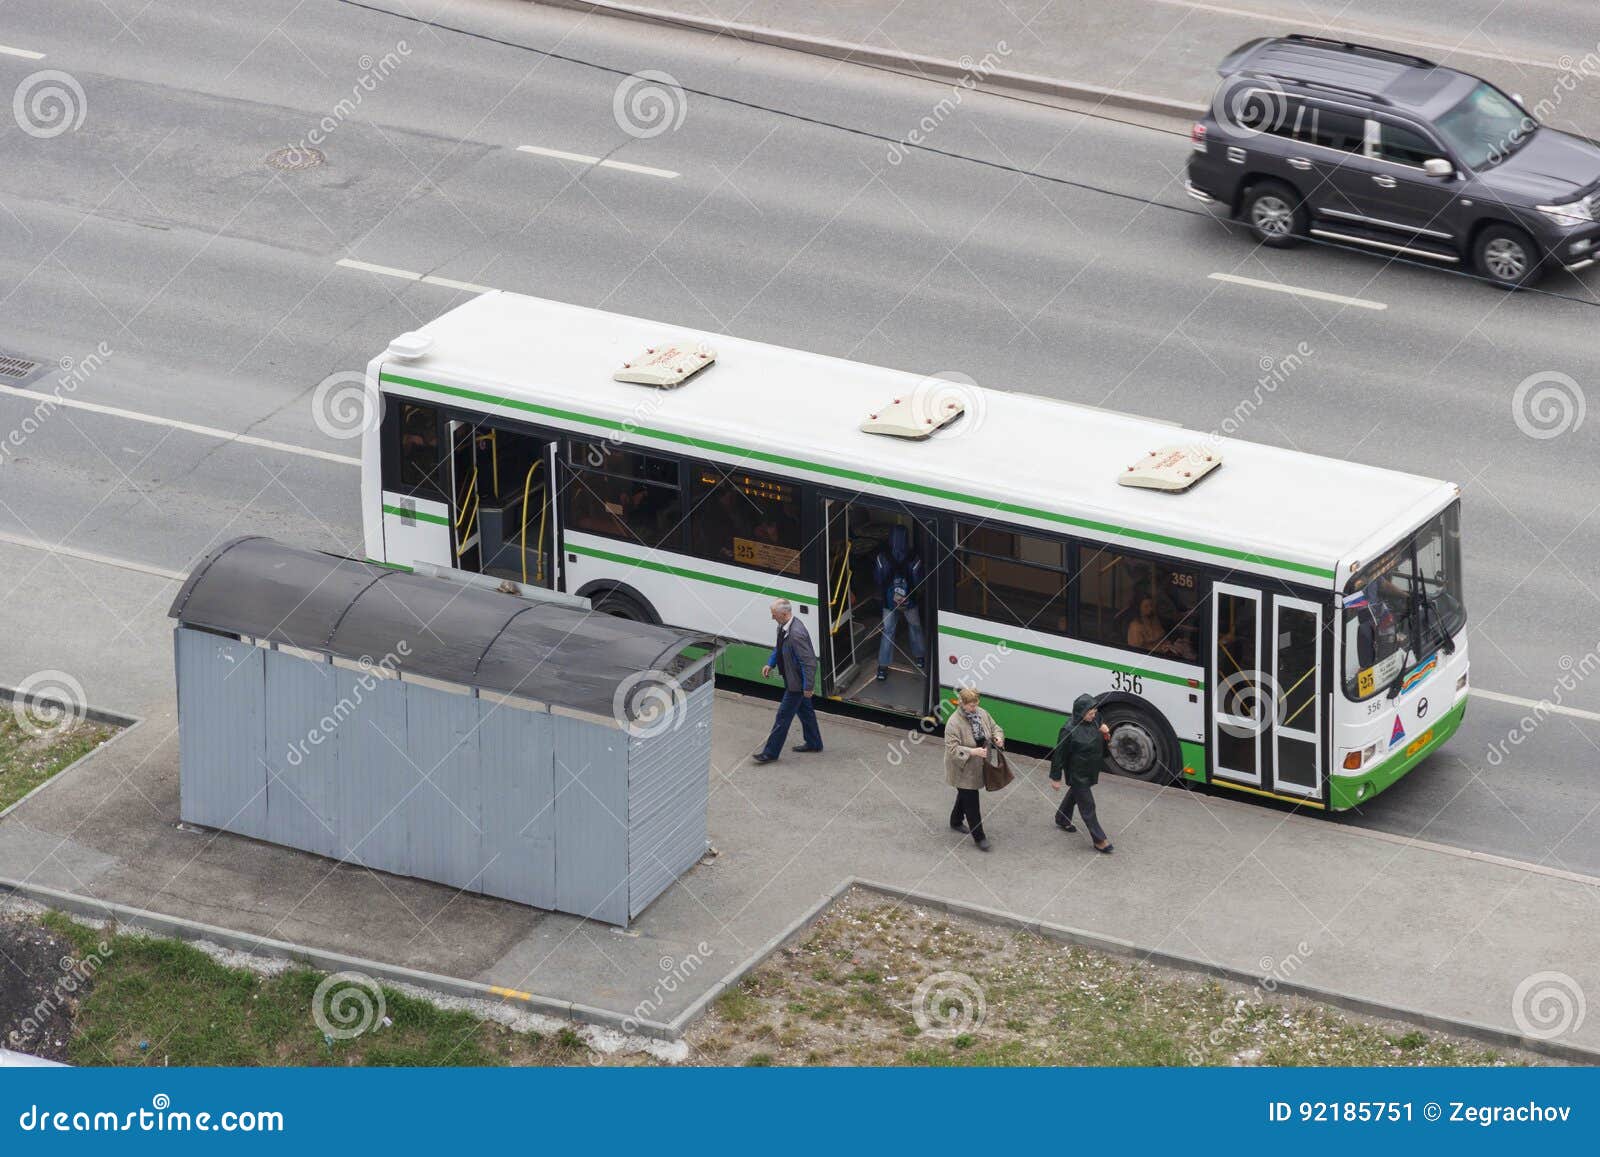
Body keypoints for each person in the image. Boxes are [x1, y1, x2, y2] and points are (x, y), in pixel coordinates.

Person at [753, 598, 822, 763]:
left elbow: (809, 663)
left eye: (774, 614)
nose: (772, 617)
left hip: (796, 684)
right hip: (792, 678)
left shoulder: (796, 633)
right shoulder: (784, 626)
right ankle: (814, 743)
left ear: (784, 614)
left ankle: (770, 753)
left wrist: (807, 687)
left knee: (782, 717)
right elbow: (779, 646)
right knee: (805, 712)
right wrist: (770, 664)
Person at [1050, 693, 1114, 853]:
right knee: (1088, 805)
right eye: (1091, 713)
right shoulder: (1068, 730)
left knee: (1075, 795)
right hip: (1077, 772)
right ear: (1081, 712)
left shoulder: (1095, 719)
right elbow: (1059, 754)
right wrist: (1055, 777)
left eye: (1094, 712)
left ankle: (1062, 818)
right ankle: (1100, 840)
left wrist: (1105, 732)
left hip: (1090, 768)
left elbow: (1101, 729)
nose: (1094, 715)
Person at [944, 686, 1003, 852]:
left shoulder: (982, 713)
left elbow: (995, 728)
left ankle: (955, 821)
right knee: (971, 801)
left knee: (965, 795)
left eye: (976, 704)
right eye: (971, 705)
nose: (974, 708)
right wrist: (972, 751)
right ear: (962, 703)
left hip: (978, 765)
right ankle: (980, 837)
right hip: (962, 768)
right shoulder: (953, 723)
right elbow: (952, 749)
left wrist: (998, 737)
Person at [873, 524, 926, 681]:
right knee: (915, 627)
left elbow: (878, 579)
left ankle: (882, 667)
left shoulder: (881, 557)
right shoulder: (914, 557)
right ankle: (920, 658)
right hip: (910, 602)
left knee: (888, 632)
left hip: (888, 603)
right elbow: (918, 580)